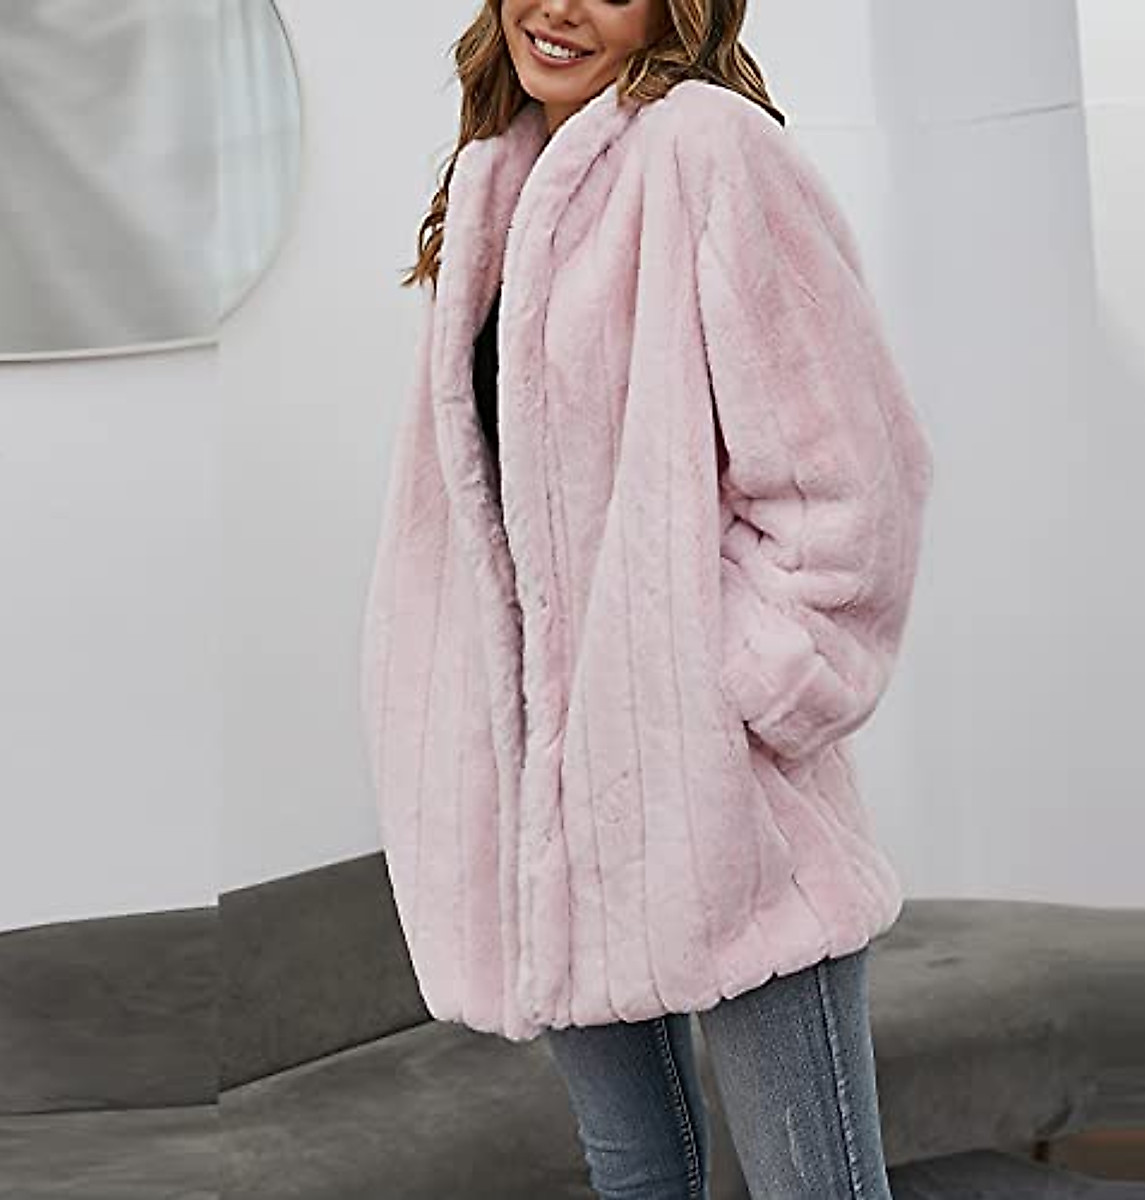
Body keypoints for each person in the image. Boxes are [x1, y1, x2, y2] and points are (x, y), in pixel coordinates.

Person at [360, 1, 936, 1196]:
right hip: (549, 801)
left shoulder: (708, 150)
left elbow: (853, 477)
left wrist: (735, 692)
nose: (561, 7)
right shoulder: (495, 181)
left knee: (814, 1185)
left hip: (721, 795)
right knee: (636, 1176)